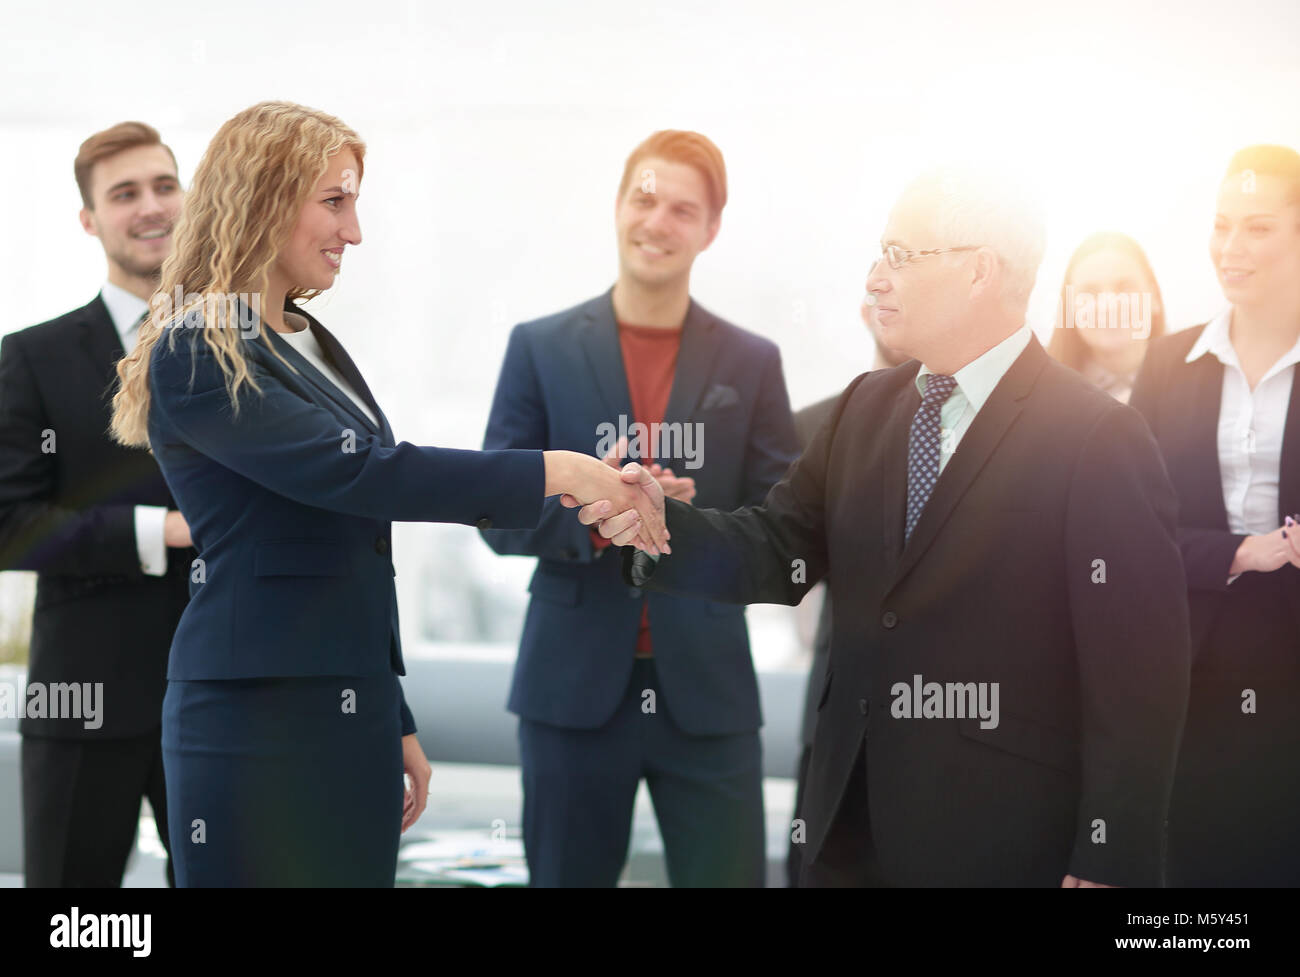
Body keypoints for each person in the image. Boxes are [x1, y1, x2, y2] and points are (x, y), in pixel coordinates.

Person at [576, 165, 1192, 887]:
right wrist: (657, 524)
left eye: (901, 255)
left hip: (1007, 839)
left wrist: (1112, 851)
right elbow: (777, 549)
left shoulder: (1097, 437)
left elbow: (1141, 671)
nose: (875, 278)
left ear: (978, 272)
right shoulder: (864, 407)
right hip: (846, 825)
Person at [108, 100, 667, 887]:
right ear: (265, 197)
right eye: (335, 201)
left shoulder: (308, 341)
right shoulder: (196, 350)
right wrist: (559, 470)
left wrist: (386, 710)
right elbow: (362, 473)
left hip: (350, 712)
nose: (355, 230)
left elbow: (352, 535)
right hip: (253, 724)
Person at [480, 130, 799, 887]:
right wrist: (599, 513)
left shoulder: (753, 362)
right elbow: (495, 511)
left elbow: (787, 531)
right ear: (619, 204)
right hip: (572, 692)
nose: (657, 222)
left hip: (708, 695)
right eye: (644, 199)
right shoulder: (540, 346)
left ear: (710, 229)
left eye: (682, 210)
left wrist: (686, 524)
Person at [0, 121, 191, 887]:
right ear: (90, 219)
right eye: (124, 194)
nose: (150, 207)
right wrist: (161, 530)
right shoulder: (30, 358)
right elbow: (9, 528)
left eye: (164, 186)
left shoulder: (244, 345)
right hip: (81, 694)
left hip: (222, 691)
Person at [1129, 144, 1300, 887]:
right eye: (1222, 225)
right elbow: (1133, 529)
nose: (1231, 248)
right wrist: (1238, 552)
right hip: (1200, 670)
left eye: (1257, 228)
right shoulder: (1169, 364)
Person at [786, 299, 907, 887]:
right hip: (836, 727)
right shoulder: (813, 428)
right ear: (866, 308)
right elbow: (774, 547)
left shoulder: (995, 433)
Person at [1047, 231, 1166, 403]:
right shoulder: (1041, 391)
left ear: (1154, 297)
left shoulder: (1193, 385)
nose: (1108, 306)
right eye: (1090, 292)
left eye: (1124, 288)